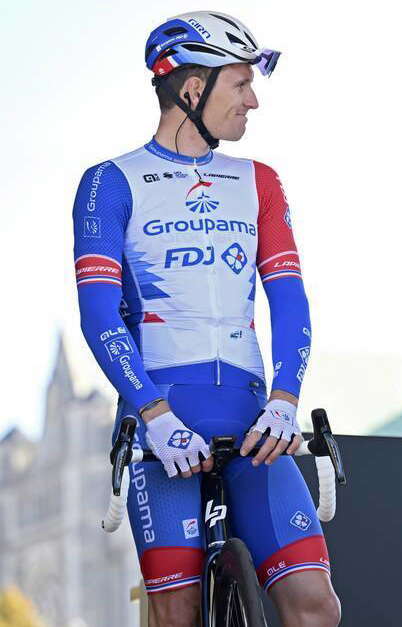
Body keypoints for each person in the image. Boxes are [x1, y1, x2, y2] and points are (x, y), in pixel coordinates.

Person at [72, 11, 339, 626]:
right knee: (177, 611)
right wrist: (152, 413)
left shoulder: (259, 181)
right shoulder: (110, 184)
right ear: (193, 88)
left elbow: (290, 299)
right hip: (162, 412)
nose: (253, 100)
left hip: (251, 414)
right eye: (240, 83)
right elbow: (97, 314)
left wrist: (284, 398)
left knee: (316, 608)